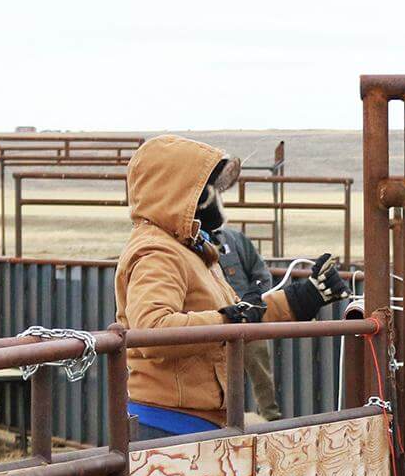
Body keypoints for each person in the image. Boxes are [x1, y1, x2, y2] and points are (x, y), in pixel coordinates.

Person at [115, 134, 347, 442]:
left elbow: (241, 314)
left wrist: (302, 298)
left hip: (195, 419)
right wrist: (228, 320)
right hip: (167, 424)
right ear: (180, 194)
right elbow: (153, 331)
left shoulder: (192, 251)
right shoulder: (159, 253)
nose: (215, 198)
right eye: (207, 190)